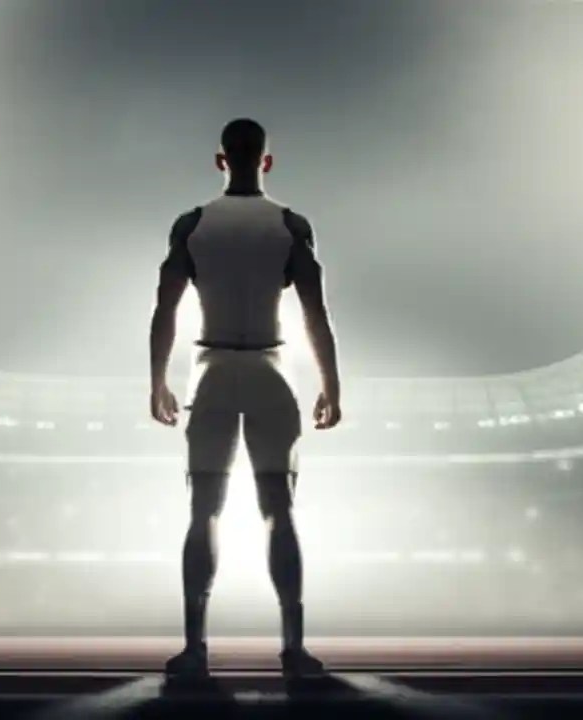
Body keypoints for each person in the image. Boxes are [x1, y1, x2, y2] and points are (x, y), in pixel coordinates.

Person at [148, 118, 343, 680]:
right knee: (279, 510)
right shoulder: (289, 225)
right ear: (267, 161)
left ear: (220, 160)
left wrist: (157, 378)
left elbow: (164, 308)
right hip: (268, 368)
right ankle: (294, 647)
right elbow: (314, 313)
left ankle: (194, 647)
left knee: (202, 510)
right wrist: (331, 384)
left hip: (210, 370)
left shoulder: (193, 225)